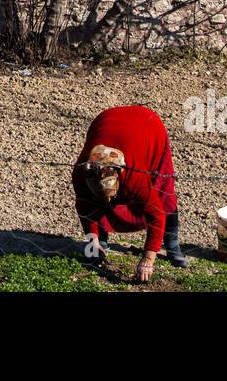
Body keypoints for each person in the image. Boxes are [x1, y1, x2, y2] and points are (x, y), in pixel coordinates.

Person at [71, 105, 188, 281]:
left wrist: (148, 258)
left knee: (163, 191)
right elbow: (84, 207)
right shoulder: (81, 174)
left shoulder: (134, 175)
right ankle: (100, 242)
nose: (111, 202)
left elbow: (156, 214)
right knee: (97, 203)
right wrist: (92, 240)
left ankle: (172, 244)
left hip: (148, 126)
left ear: (120, 176)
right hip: (105, 121)